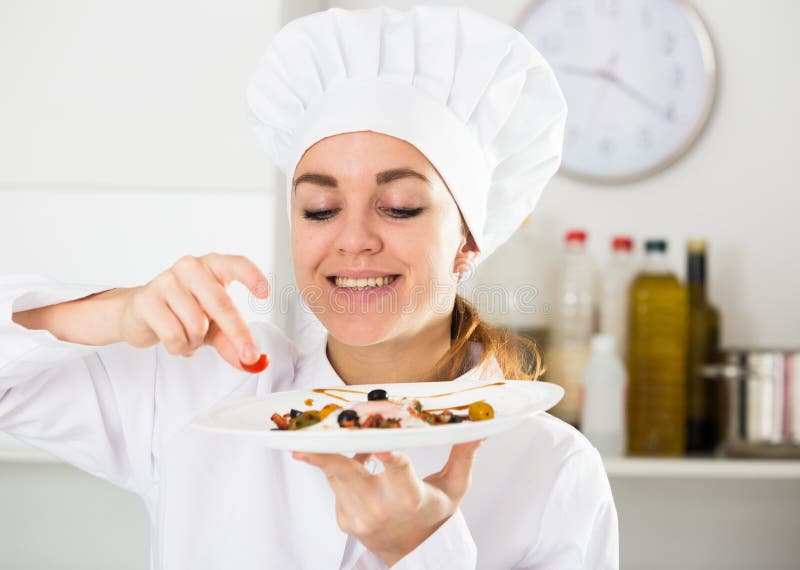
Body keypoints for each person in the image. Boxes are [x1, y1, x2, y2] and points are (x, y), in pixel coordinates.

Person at [0, 5, 618, 569]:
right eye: (320, 208)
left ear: (467, 239)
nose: (352, 239)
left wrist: (421, 552)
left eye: (399, 206)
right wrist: (113, 312)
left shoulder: (552, 468)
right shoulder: (200, 393)